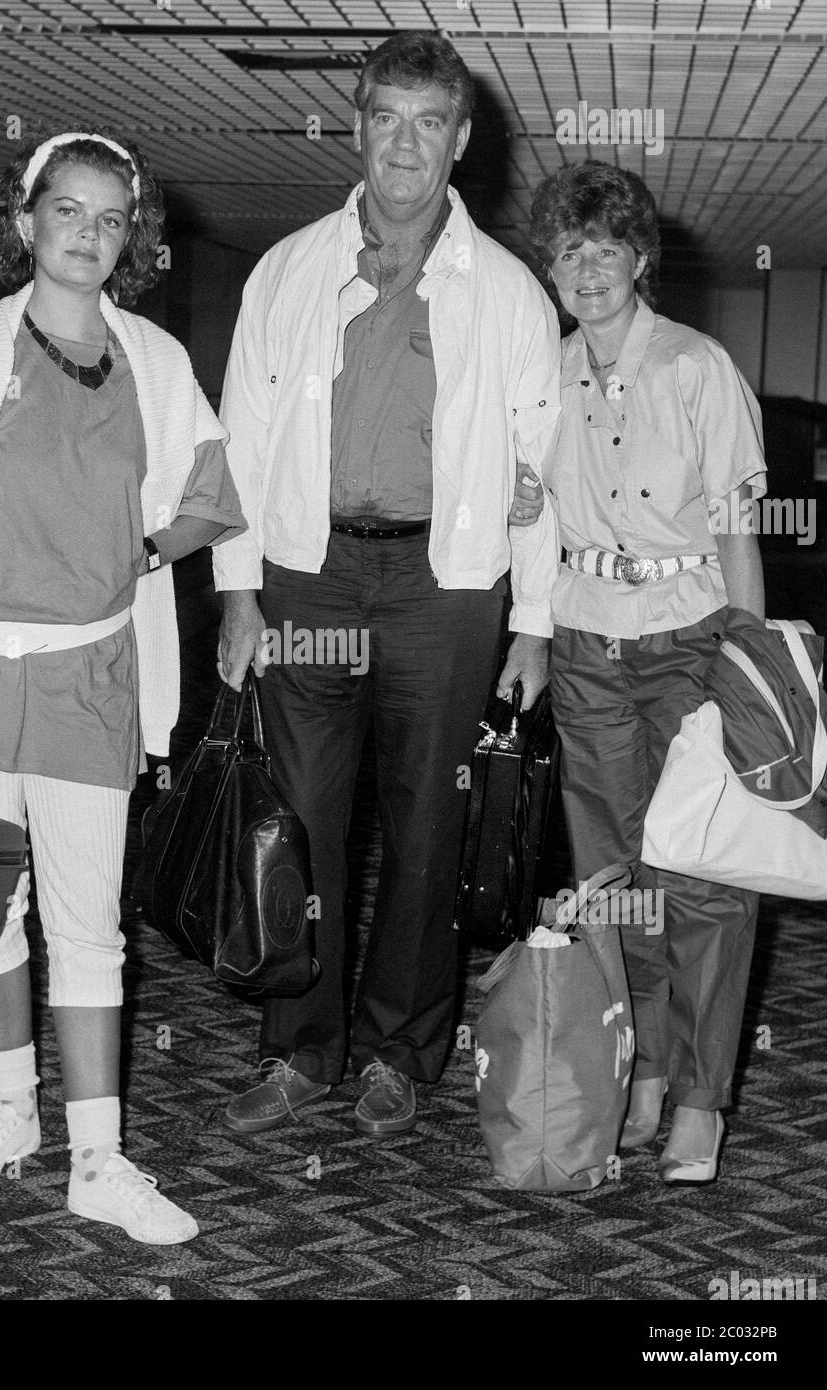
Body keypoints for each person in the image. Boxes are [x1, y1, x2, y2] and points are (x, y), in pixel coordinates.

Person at [0, 130, 245, 1241]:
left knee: (88, 925)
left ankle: (98, 1158)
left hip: (93, 671)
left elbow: (215, 493)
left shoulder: (154, 362)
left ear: (129, 237)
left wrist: (136, 554)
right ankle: (10, 1115)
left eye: (109, 217)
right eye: (66, 211)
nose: (87, 234)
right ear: (25, 220)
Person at [214, 32, 561, 1137]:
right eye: (384, 117)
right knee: (303, 820)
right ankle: (298, 1050)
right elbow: (238, 440)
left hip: (444, 588)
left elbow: (537, 470)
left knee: (427, 824)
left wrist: (537, 622)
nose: (404, 143)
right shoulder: (287, 269)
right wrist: (236, 590)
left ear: (461, 141)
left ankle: (401, 1058)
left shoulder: (509, 293)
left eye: (429, 122)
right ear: (355, 126)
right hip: (308, 577)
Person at [515, 159, 765, 1184]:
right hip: (585, 641)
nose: (584, 268)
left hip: (689, 637)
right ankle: (645, 1071)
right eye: (567, 250)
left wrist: (748, 660)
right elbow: (523, 505)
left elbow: (739, 526)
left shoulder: (698, 367)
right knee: (613, 877)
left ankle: (702, 1096)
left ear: (638, 258)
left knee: (701, 872)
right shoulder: (543, 372)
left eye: (603, 248)